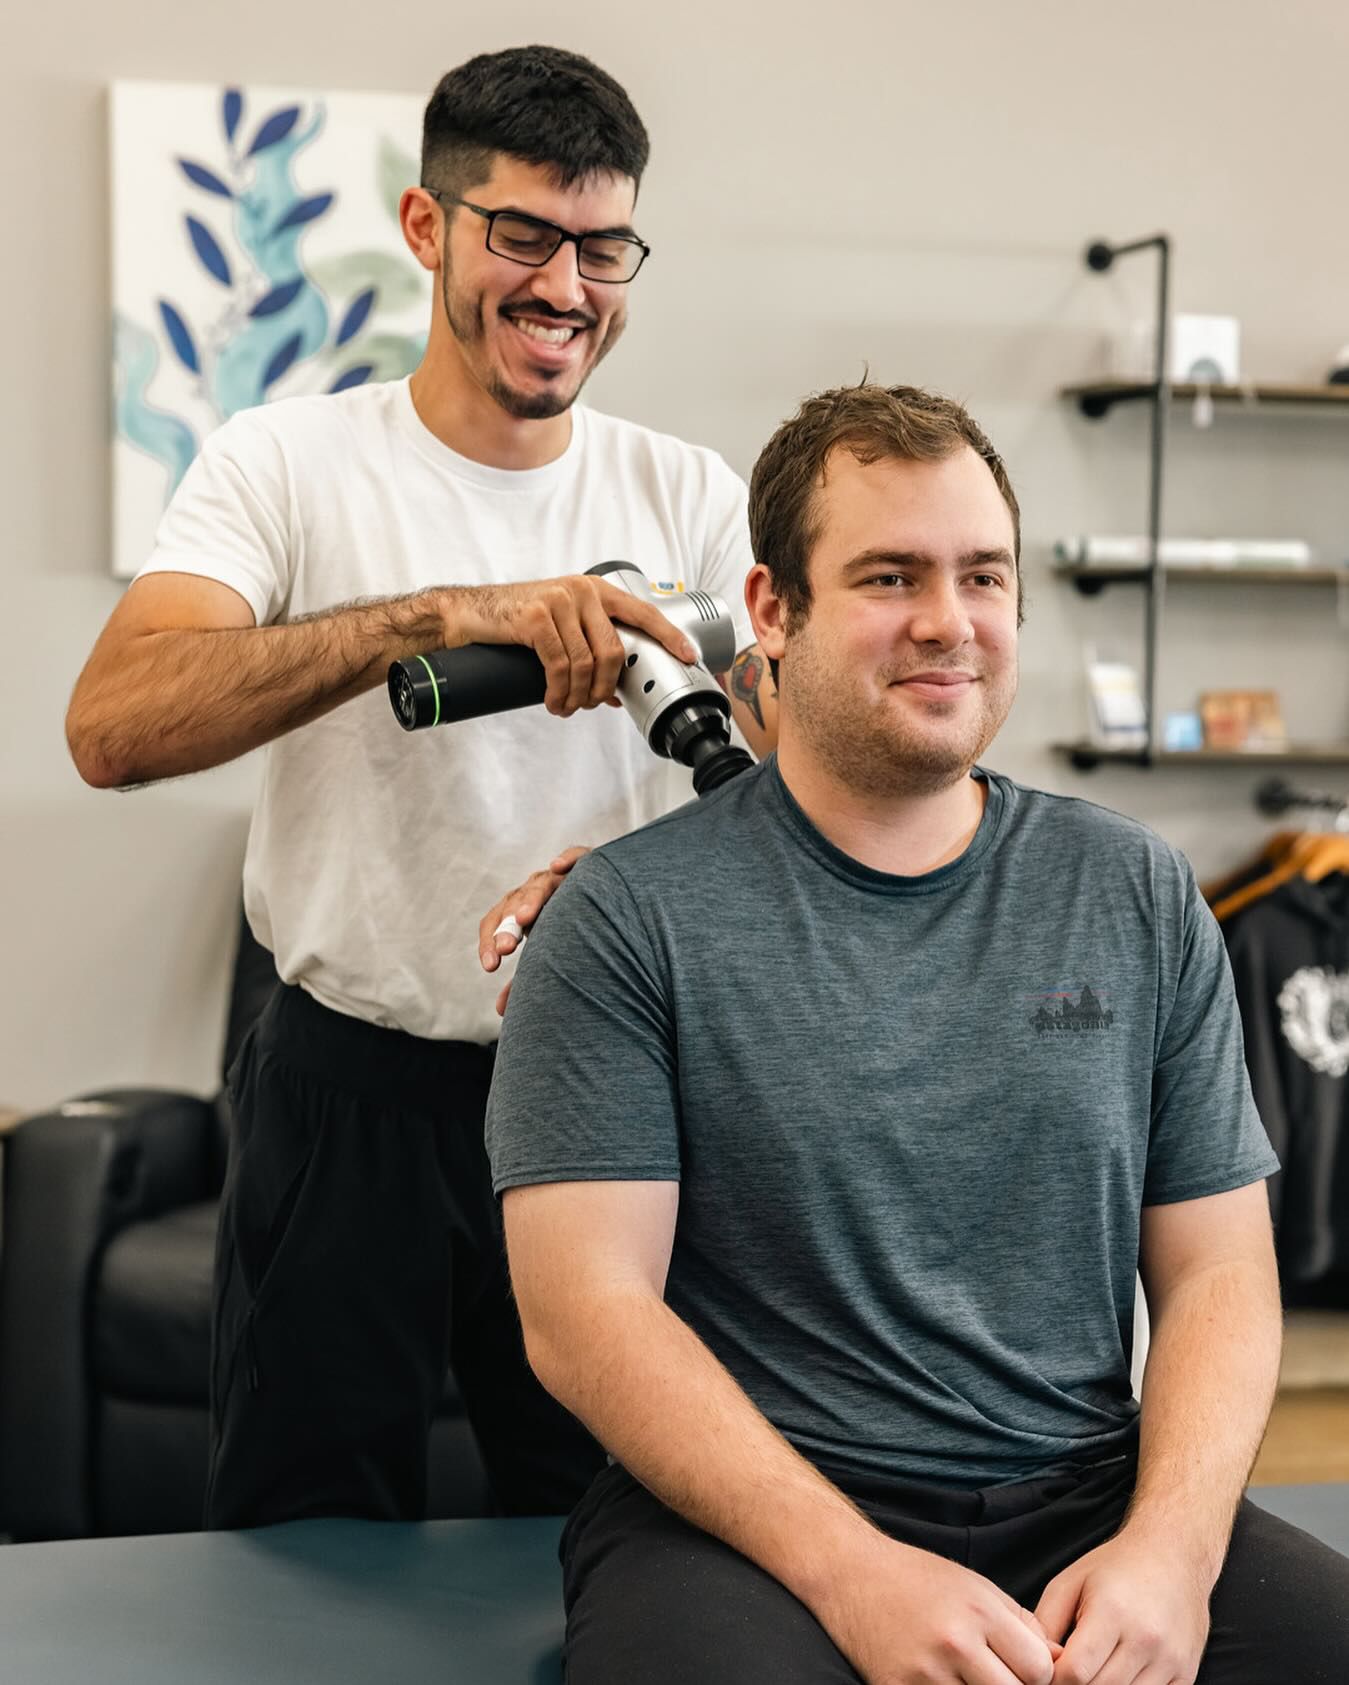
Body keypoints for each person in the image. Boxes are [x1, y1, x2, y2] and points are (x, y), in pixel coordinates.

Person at [485, 381, 1349, 1683]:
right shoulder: (624, 919)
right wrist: (850, 1569)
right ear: (773, 609)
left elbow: (1221, 1275)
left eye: (983, 576)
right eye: (889, 576)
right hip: (748, 1523)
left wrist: (1169, 1549)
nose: (947, 623)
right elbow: (585, 1311)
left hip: (1081, 1494)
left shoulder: (1134, 888)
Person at [65, 44, 776, 1530]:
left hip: (610, 1093)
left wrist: (644, 878)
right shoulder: (287, 463)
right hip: (350, 1088)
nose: (564, 287)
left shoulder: (689, 496)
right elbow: (114, 727)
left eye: (602, 248)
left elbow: (799, 801)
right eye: (520, 234)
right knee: (300, 1549)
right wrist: (438, 613)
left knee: (612, 1533)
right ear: (426, 226)